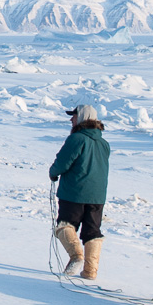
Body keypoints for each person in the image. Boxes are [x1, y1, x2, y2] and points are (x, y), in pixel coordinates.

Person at [49, 104, 110, 280]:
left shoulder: (76, 139)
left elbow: (63, 162)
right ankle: (91, 271)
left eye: (74, 116)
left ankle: (76, 257)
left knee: (64, 225)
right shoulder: (104, 143)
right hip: (98, 196)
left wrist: (53, 173)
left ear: (83, 117)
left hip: (74, 192)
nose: (71, 119)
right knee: (93, 231)